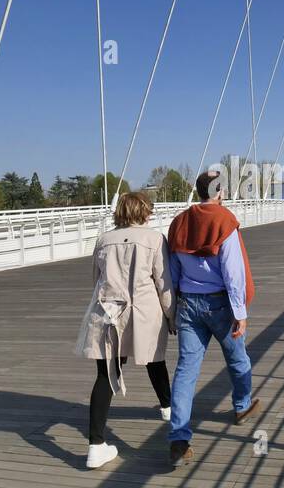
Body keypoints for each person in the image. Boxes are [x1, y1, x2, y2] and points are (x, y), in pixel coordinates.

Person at [75, 191, 176, 469]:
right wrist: (172, 316)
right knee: (155, 361)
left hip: (108, 314)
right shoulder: (155, 239)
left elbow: (96, 280)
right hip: (143, 314)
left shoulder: (103, 240)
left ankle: (96, 445)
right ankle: (168, 409)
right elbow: (163, 283)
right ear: (145, 211)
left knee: (106, 375)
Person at [164, 170, 258, 468]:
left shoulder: (179, 222)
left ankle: (179, 438)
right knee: (237, 358)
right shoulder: (224, 221)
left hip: (188, 304)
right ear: (219, 192)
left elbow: (174, 270)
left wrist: (175, 307)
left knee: (186, 370)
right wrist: (240, 313)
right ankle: (242, 406)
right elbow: (233, 273)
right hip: (220, 305)